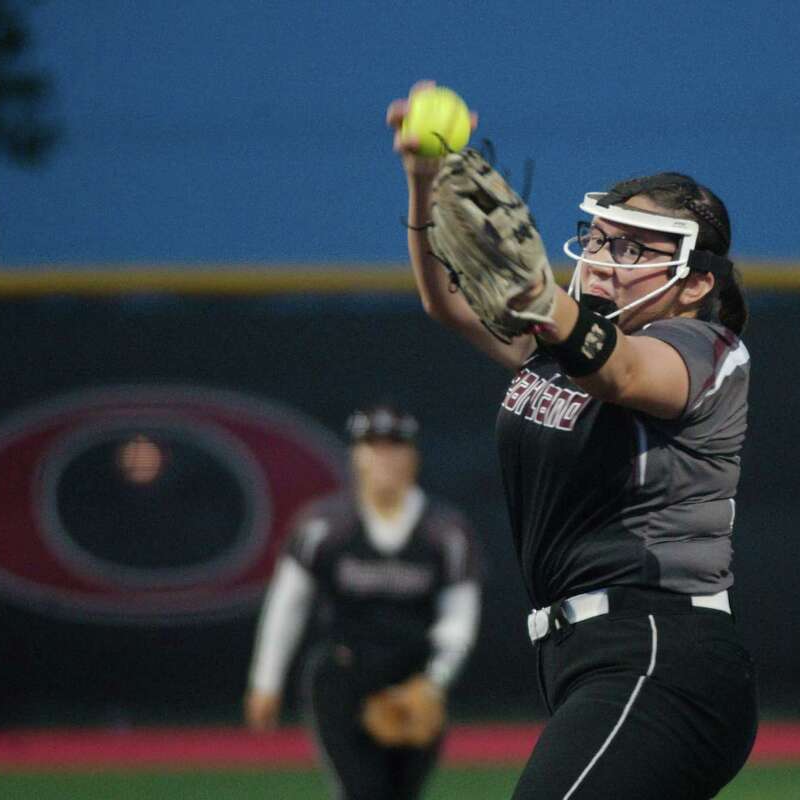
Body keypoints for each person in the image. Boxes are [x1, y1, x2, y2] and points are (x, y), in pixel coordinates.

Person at [386, 81, 757, 798]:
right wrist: (421, 180)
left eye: (635, 247)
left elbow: (618, 368)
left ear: (692, 282)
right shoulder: (556, 344)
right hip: (580, 658)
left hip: (664, 656)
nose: (605, 256)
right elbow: (446, 302)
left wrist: (540, 299)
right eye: (600, 238)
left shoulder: (705, 348)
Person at [244, 403, 481, 800]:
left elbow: (459, 619)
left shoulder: (445, 532)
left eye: (395, 446)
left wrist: (433, 683)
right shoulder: (323, 526)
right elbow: (287, 606)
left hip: (414, 680)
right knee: (362, 792)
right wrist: (265, 682)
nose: (384, 457)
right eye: (372, 446)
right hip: (343, 676)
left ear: (414, 456)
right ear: (355, 455)